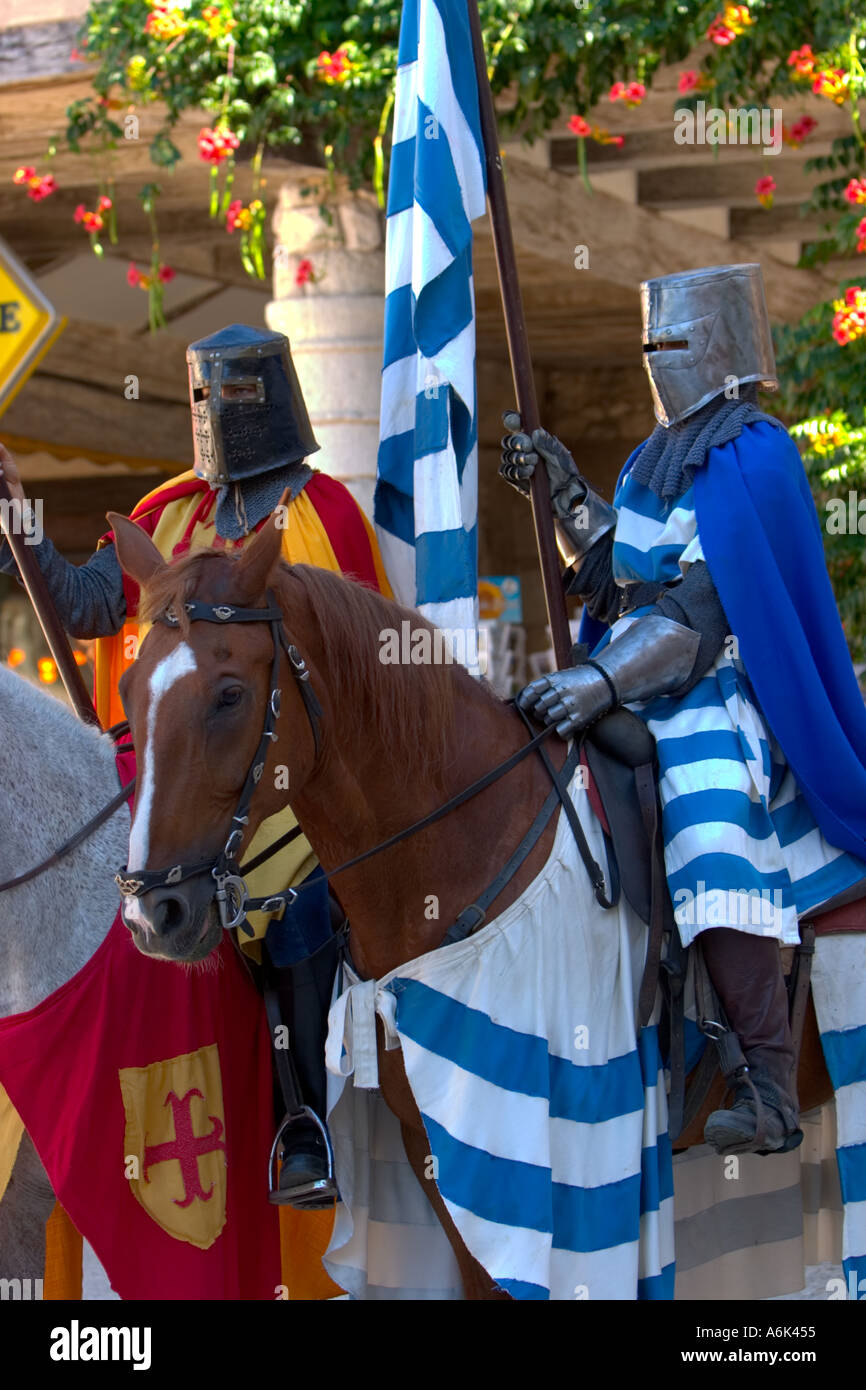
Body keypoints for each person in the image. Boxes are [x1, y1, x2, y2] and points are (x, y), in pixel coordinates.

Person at [0, 322, 392, 1200]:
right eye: (200, 393)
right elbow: (87, 606)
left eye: (229, 393)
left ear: (271, 396)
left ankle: (302, 1122)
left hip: (284, 781)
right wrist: (16, 524)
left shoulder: (322, 512)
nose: (211, 412)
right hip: (158, 777)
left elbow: (360, 671)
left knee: (293, 898)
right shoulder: (163, 511)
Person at [500, 263, 866, 1155]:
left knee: (704, 818)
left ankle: (765, 1076)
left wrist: (596, 681)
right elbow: (616, 565)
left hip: (723, 689)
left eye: (671, 341)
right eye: (649, 342)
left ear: (720, 343)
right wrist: (563, 492)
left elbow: (701, 609)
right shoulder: (651, 456)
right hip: (632, 672)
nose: (656, 358)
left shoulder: (756, 450)